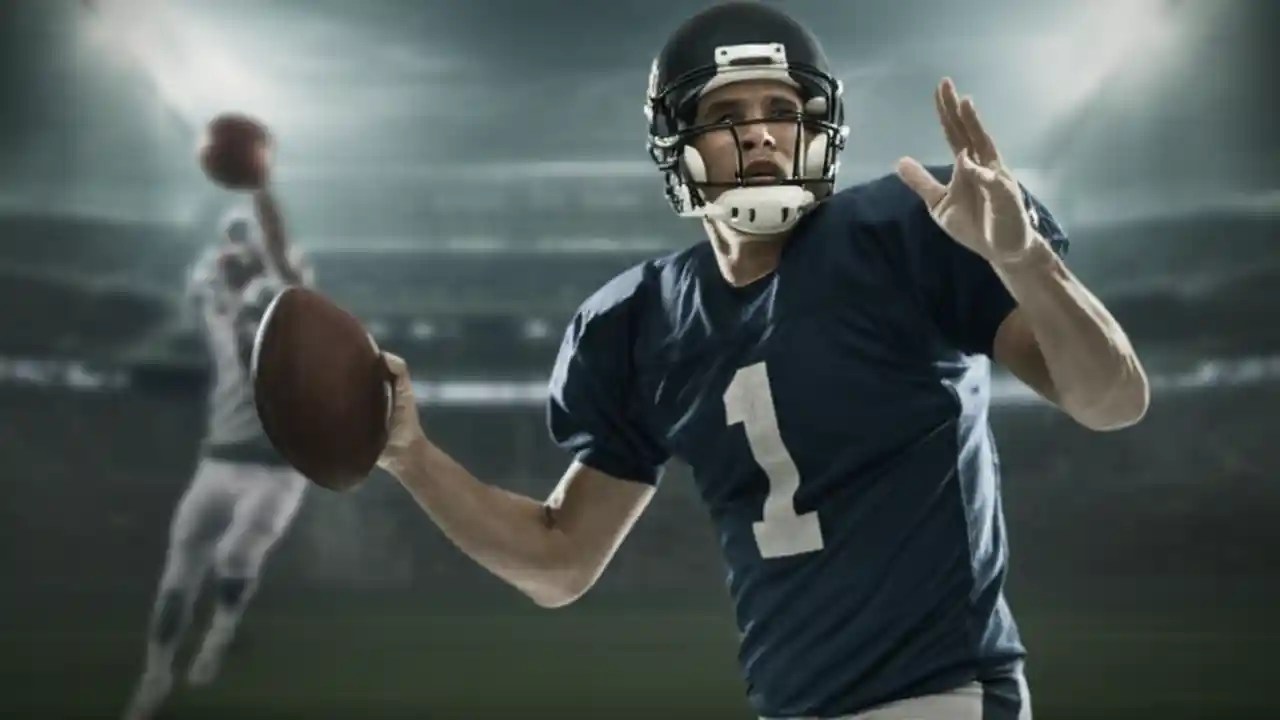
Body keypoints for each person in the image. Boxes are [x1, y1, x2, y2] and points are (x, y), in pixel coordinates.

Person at [375, 2, 1149, 718]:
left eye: (782, 109)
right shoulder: (643, 321)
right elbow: (559, 561)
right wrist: (411, 456)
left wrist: (1024, 260)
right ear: (675, 139)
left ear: (819, 124)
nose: (761, 133)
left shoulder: (903, 234)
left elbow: (1110, 400)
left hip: (937, 698)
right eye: (725, 115)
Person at [123, 185, 313, 720]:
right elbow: (210, 277)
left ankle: (221, 632)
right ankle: (156, 673)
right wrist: (229, 245)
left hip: (276, 470)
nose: (237, 251)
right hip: (218, 458)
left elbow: (278, 252)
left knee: (233, 556)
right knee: (178, 571)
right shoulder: (218, 302)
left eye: (245, 245)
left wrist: (260, 189)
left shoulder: (293, 310)